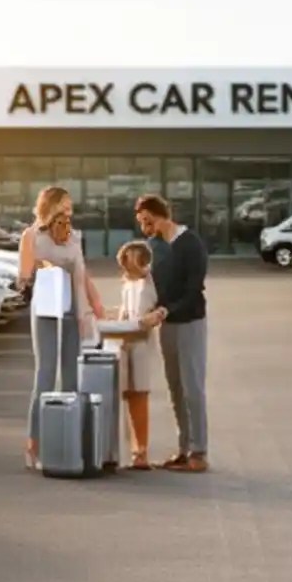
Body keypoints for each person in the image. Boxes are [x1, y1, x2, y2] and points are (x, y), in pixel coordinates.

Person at [18, 186, 105, 470]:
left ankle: (68, 441)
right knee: (45, 375)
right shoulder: (32, 236)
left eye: (70, 208)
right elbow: (23, 277)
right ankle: (34, 442)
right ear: (49, 206)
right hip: (45, 310)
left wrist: (95, 307)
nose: (68, 213)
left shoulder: (75, 237)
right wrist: (45, 268)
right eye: (63, 207)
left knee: (71, 379)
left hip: (72, 312)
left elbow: (82, 274)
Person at [135, 194, 210, 473]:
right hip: (165, 324)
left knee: (193, 388)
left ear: (160, 215)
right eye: (141, 222)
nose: (145, 227)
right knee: (176, 388)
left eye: (147, 220)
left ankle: (199, 452)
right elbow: (154, 287)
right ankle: (184, 449)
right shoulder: (154, 247)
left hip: (190, 322)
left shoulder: (190, 243)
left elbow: (194, 290)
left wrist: (166, 311)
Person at [114, 240, 161, 470]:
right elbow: (124, 314)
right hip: (126, 343)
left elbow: (152, 310)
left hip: (142, 343)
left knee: (140, 394)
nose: (129, 264)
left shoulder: (150, 281)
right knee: (128, 394)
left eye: (133, 258)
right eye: (126, 259)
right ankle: (131, 449)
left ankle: (141, 450)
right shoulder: (126, 285)